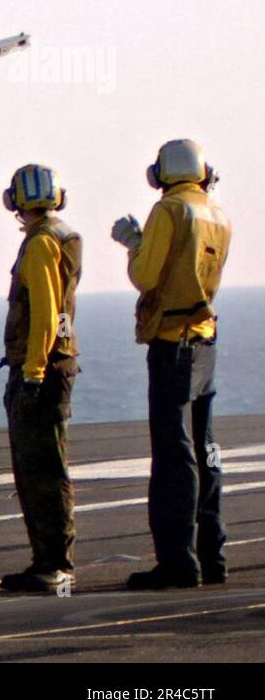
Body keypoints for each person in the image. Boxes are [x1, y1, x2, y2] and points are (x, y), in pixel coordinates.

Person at [111, 139, 232, 589]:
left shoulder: (169, 210)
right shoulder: (216, 213)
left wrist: (133, 243)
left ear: (159, 174)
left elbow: (146, 276)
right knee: (206, 449)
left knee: (173, 454)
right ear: (204, 171)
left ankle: (178, 562)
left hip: (172, 344)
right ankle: (212, 556)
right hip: (205, 340)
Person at [0, 164, 81, 593]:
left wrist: (32, 374)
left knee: (43, 468)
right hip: (51, 365)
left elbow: (45, 314)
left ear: (15, 201)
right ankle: (46, 560)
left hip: (42, 371)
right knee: (37, 468)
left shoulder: (41, 243)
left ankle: (55, 564)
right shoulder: (55, 236)